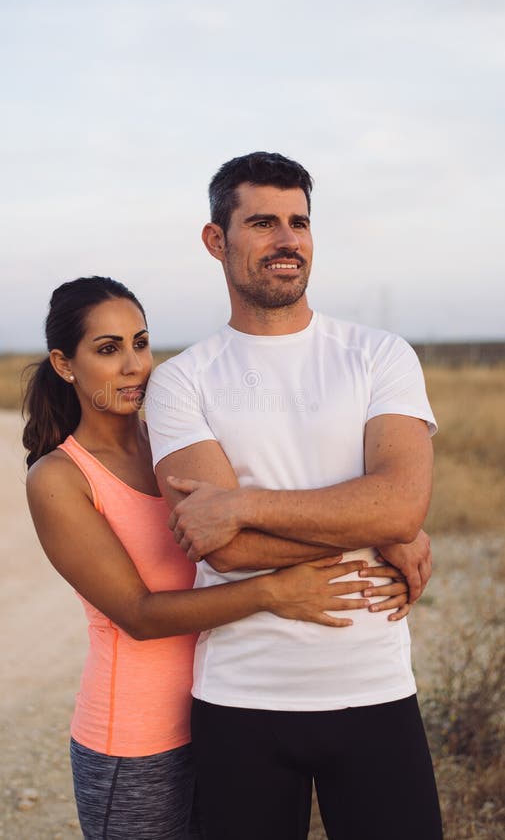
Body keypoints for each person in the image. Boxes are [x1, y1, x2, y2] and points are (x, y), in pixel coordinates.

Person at [22, 276, 405, 840]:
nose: (134, 366)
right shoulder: (58, 477)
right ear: (64, 364)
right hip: (135, 741)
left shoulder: (178, 443)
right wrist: (272, 593)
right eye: (108, 350)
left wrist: (396, 532)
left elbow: (287, 509)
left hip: (220, 715)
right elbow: (139, 614)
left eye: (141, 343)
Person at [144, 152, 443, 840]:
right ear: (216, 240)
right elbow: (220, 546)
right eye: (262, 223)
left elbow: (400, 505)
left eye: (299, 223)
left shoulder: (378, 354)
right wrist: (371, 524)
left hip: (374, 691)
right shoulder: (182, 381)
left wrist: (243, 502)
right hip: (240, 699)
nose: (287, 240)